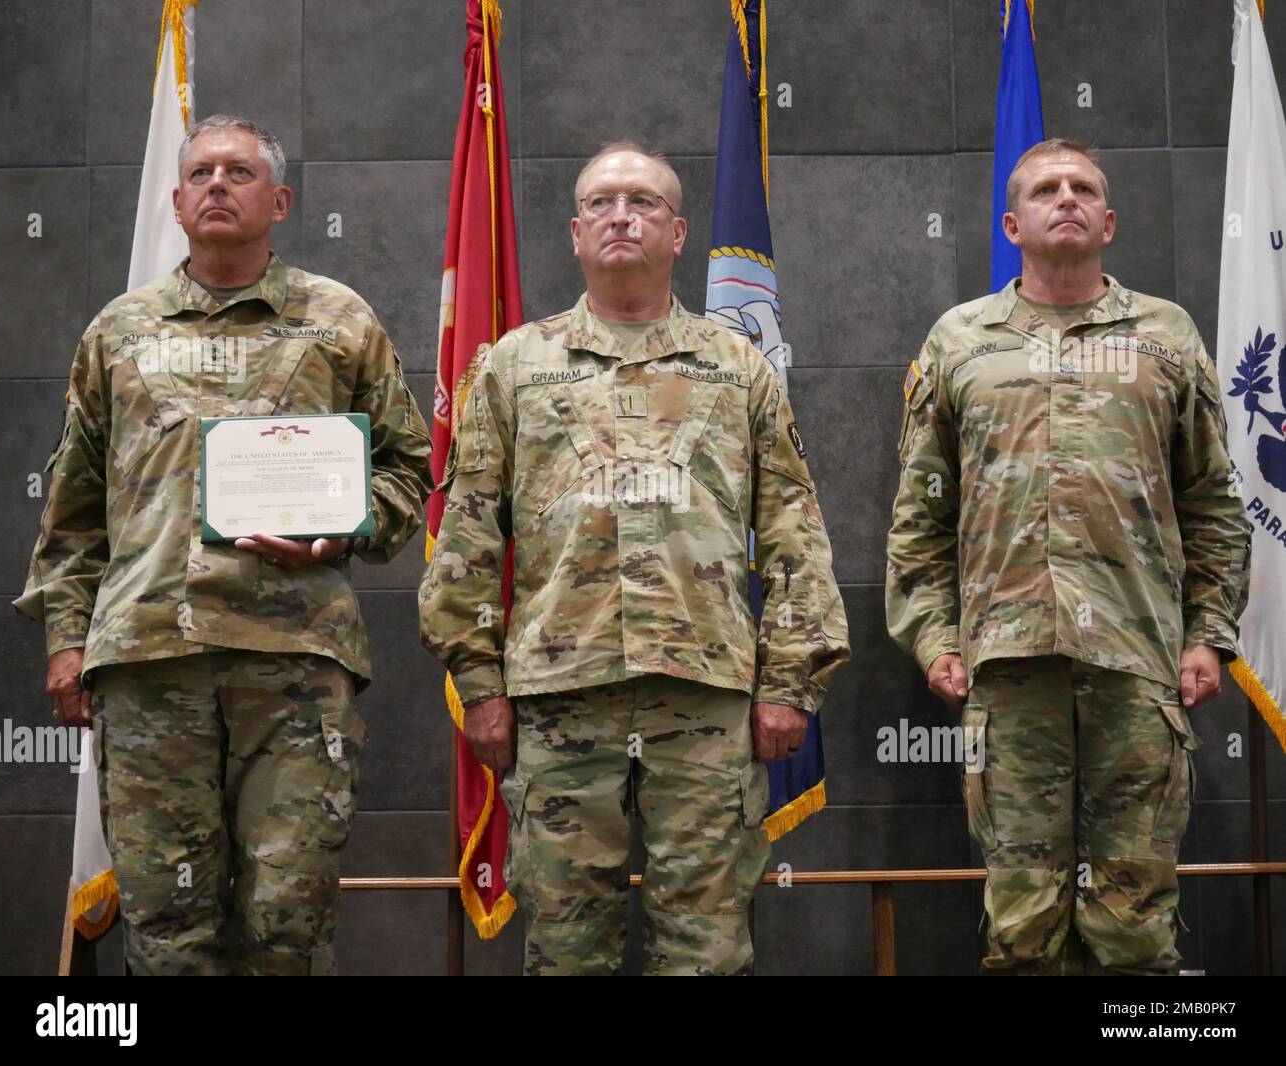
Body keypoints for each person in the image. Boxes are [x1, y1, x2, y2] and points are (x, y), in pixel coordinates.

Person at [14, 114, 434, 975]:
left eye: (239, 173)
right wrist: (66, 642)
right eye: (201, 172)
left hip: (295, 662)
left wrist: (339, 529)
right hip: (147, 658)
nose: (216, 185)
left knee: (289, 919)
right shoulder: (118, 332)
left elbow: (408, 472)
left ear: (277, 200)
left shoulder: (339, 321)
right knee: (169, 929)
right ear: (174, 201)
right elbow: (73, 510)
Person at [419, 142, 848, 975]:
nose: (623, 215)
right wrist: (478, 684)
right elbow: (468, 535)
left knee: (707, 947)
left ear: (679, 232)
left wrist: (791, 681)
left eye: (644, 202)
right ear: (576, 233)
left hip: (708, 698)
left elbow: (794, 531)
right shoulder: (513, 367)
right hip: (558, 697)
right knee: (567, 946)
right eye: (603, 203)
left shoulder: (738, 367)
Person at [886, 138, 1252, 975]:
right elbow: (920, 514)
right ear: (1012, 224)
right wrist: (936, 638)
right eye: (1046, 189)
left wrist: (1209, 635)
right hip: (1007, 667)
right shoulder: (960, 341)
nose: (1067, 198)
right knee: (1021, 923)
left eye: (1083, 187)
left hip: (1138, 663)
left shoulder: (1164, 336)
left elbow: (1212, 503)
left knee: (1134, 921)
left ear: (1110, 221)